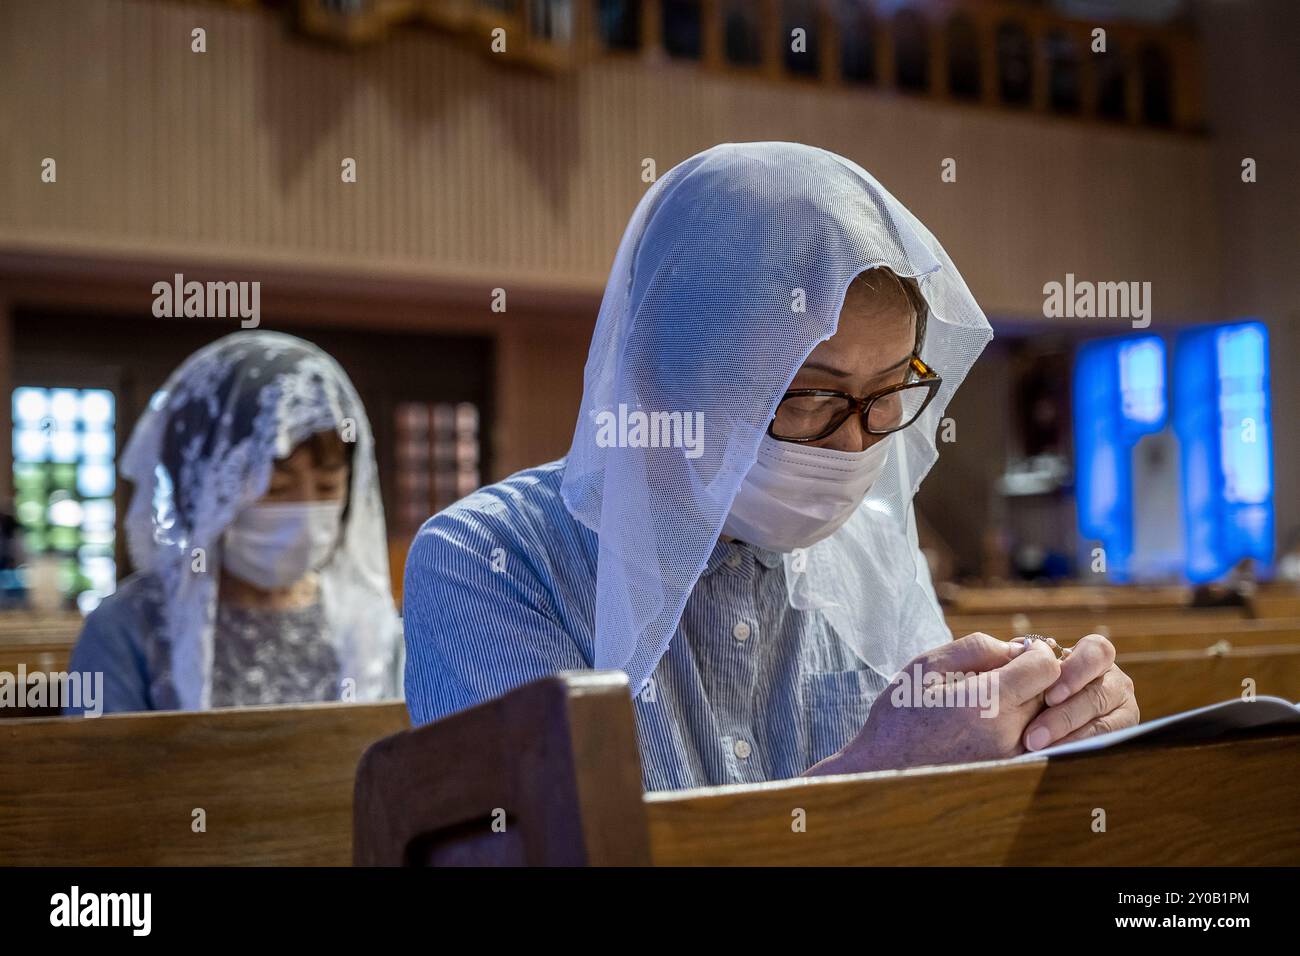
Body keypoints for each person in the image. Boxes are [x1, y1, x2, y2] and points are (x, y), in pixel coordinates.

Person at [404, 142, 1138, 791]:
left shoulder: (873, 550)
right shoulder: (489, 561)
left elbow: (951, 794)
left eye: (888, 393)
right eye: (812, 395)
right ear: (670, 375)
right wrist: (872, 778)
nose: (855, 446)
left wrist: (1050, 738)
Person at [66, 331, 402, 714]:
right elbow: (92, 767)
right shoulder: (129, 628)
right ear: (203, 492)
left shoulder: (367, 625)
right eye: (275, 489)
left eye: (327, 488)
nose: (305, 511)